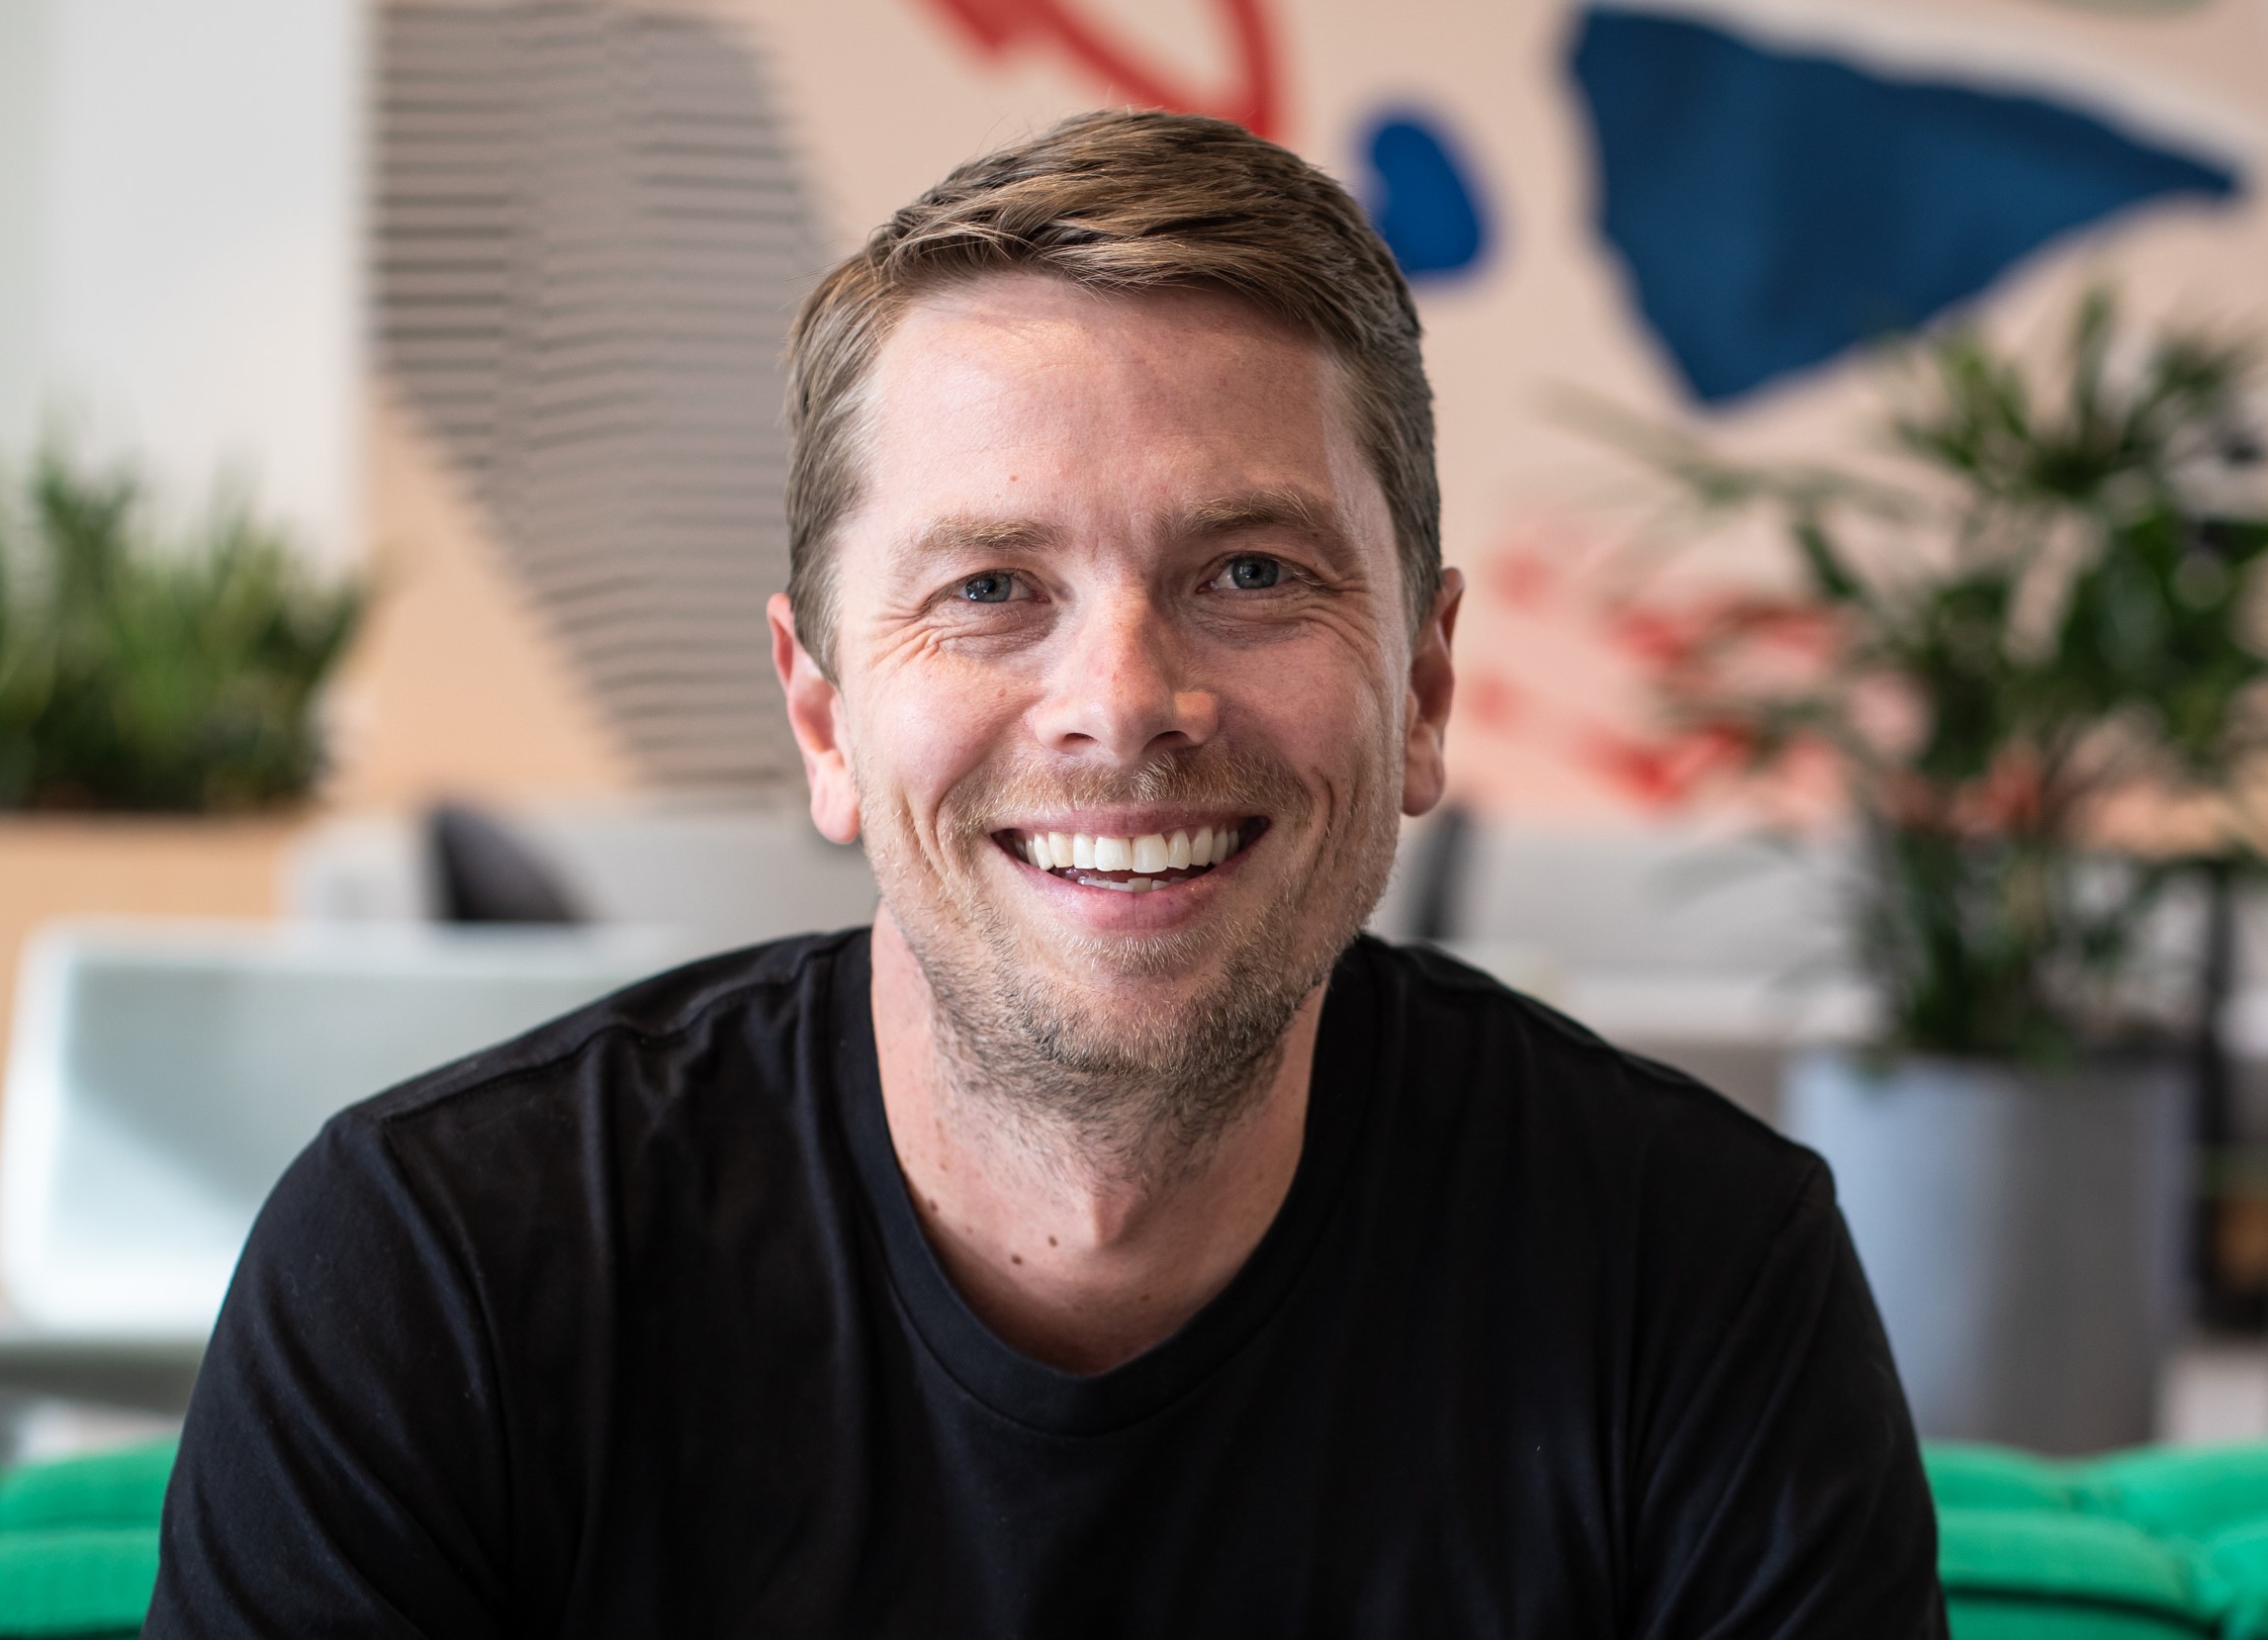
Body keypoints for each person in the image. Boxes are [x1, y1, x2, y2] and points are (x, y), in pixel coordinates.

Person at [147, 111, 1944, 1637]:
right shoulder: (438, 1272)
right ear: (824, 715)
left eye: (1251, 572)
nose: (1125, 701)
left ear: (1420, 688)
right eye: (991, 586)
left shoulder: (1696, 1277)